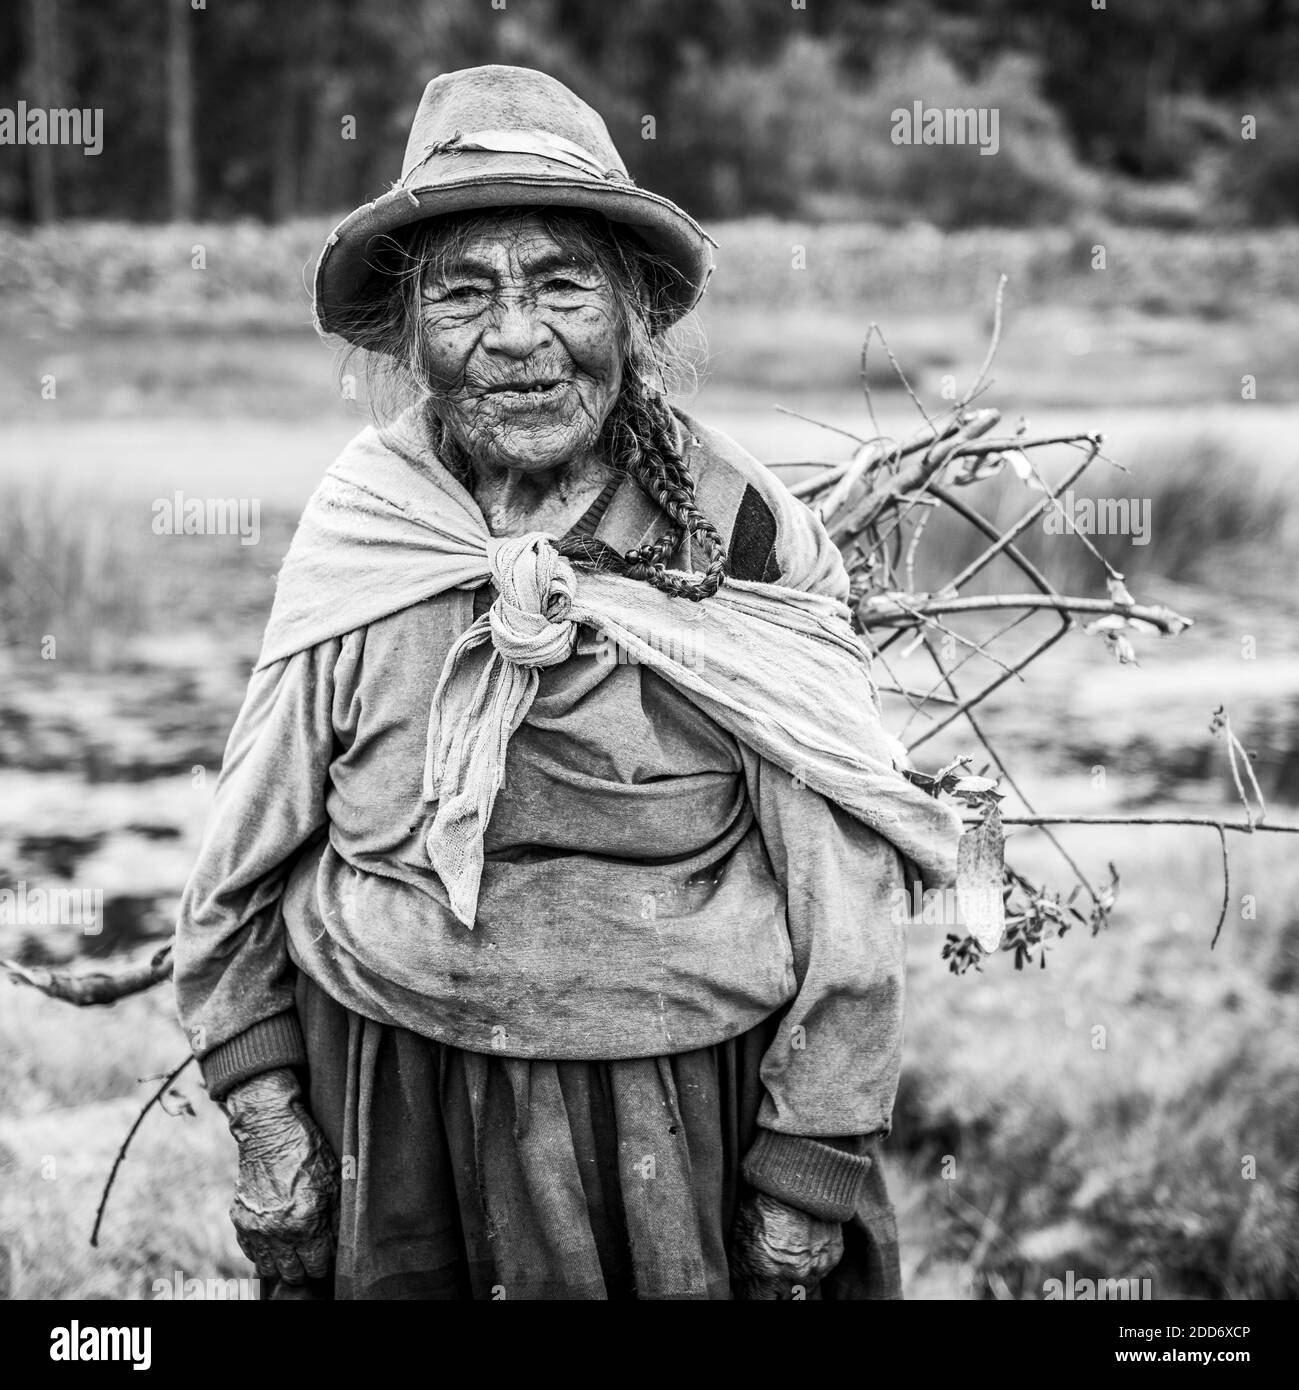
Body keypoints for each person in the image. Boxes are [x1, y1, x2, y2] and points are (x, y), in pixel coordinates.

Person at [174, 63, 960, 1301]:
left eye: (560, 284)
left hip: (680, 1114)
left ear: (633, 308)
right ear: (407, 329)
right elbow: (240, 858)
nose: (519, 337)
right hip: (396, 1107)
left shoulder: (735, 535)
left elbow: (847, 888)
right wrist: (270, 1123)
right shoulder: (370, 528)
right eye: (465, 293)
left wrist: (808, 1163)